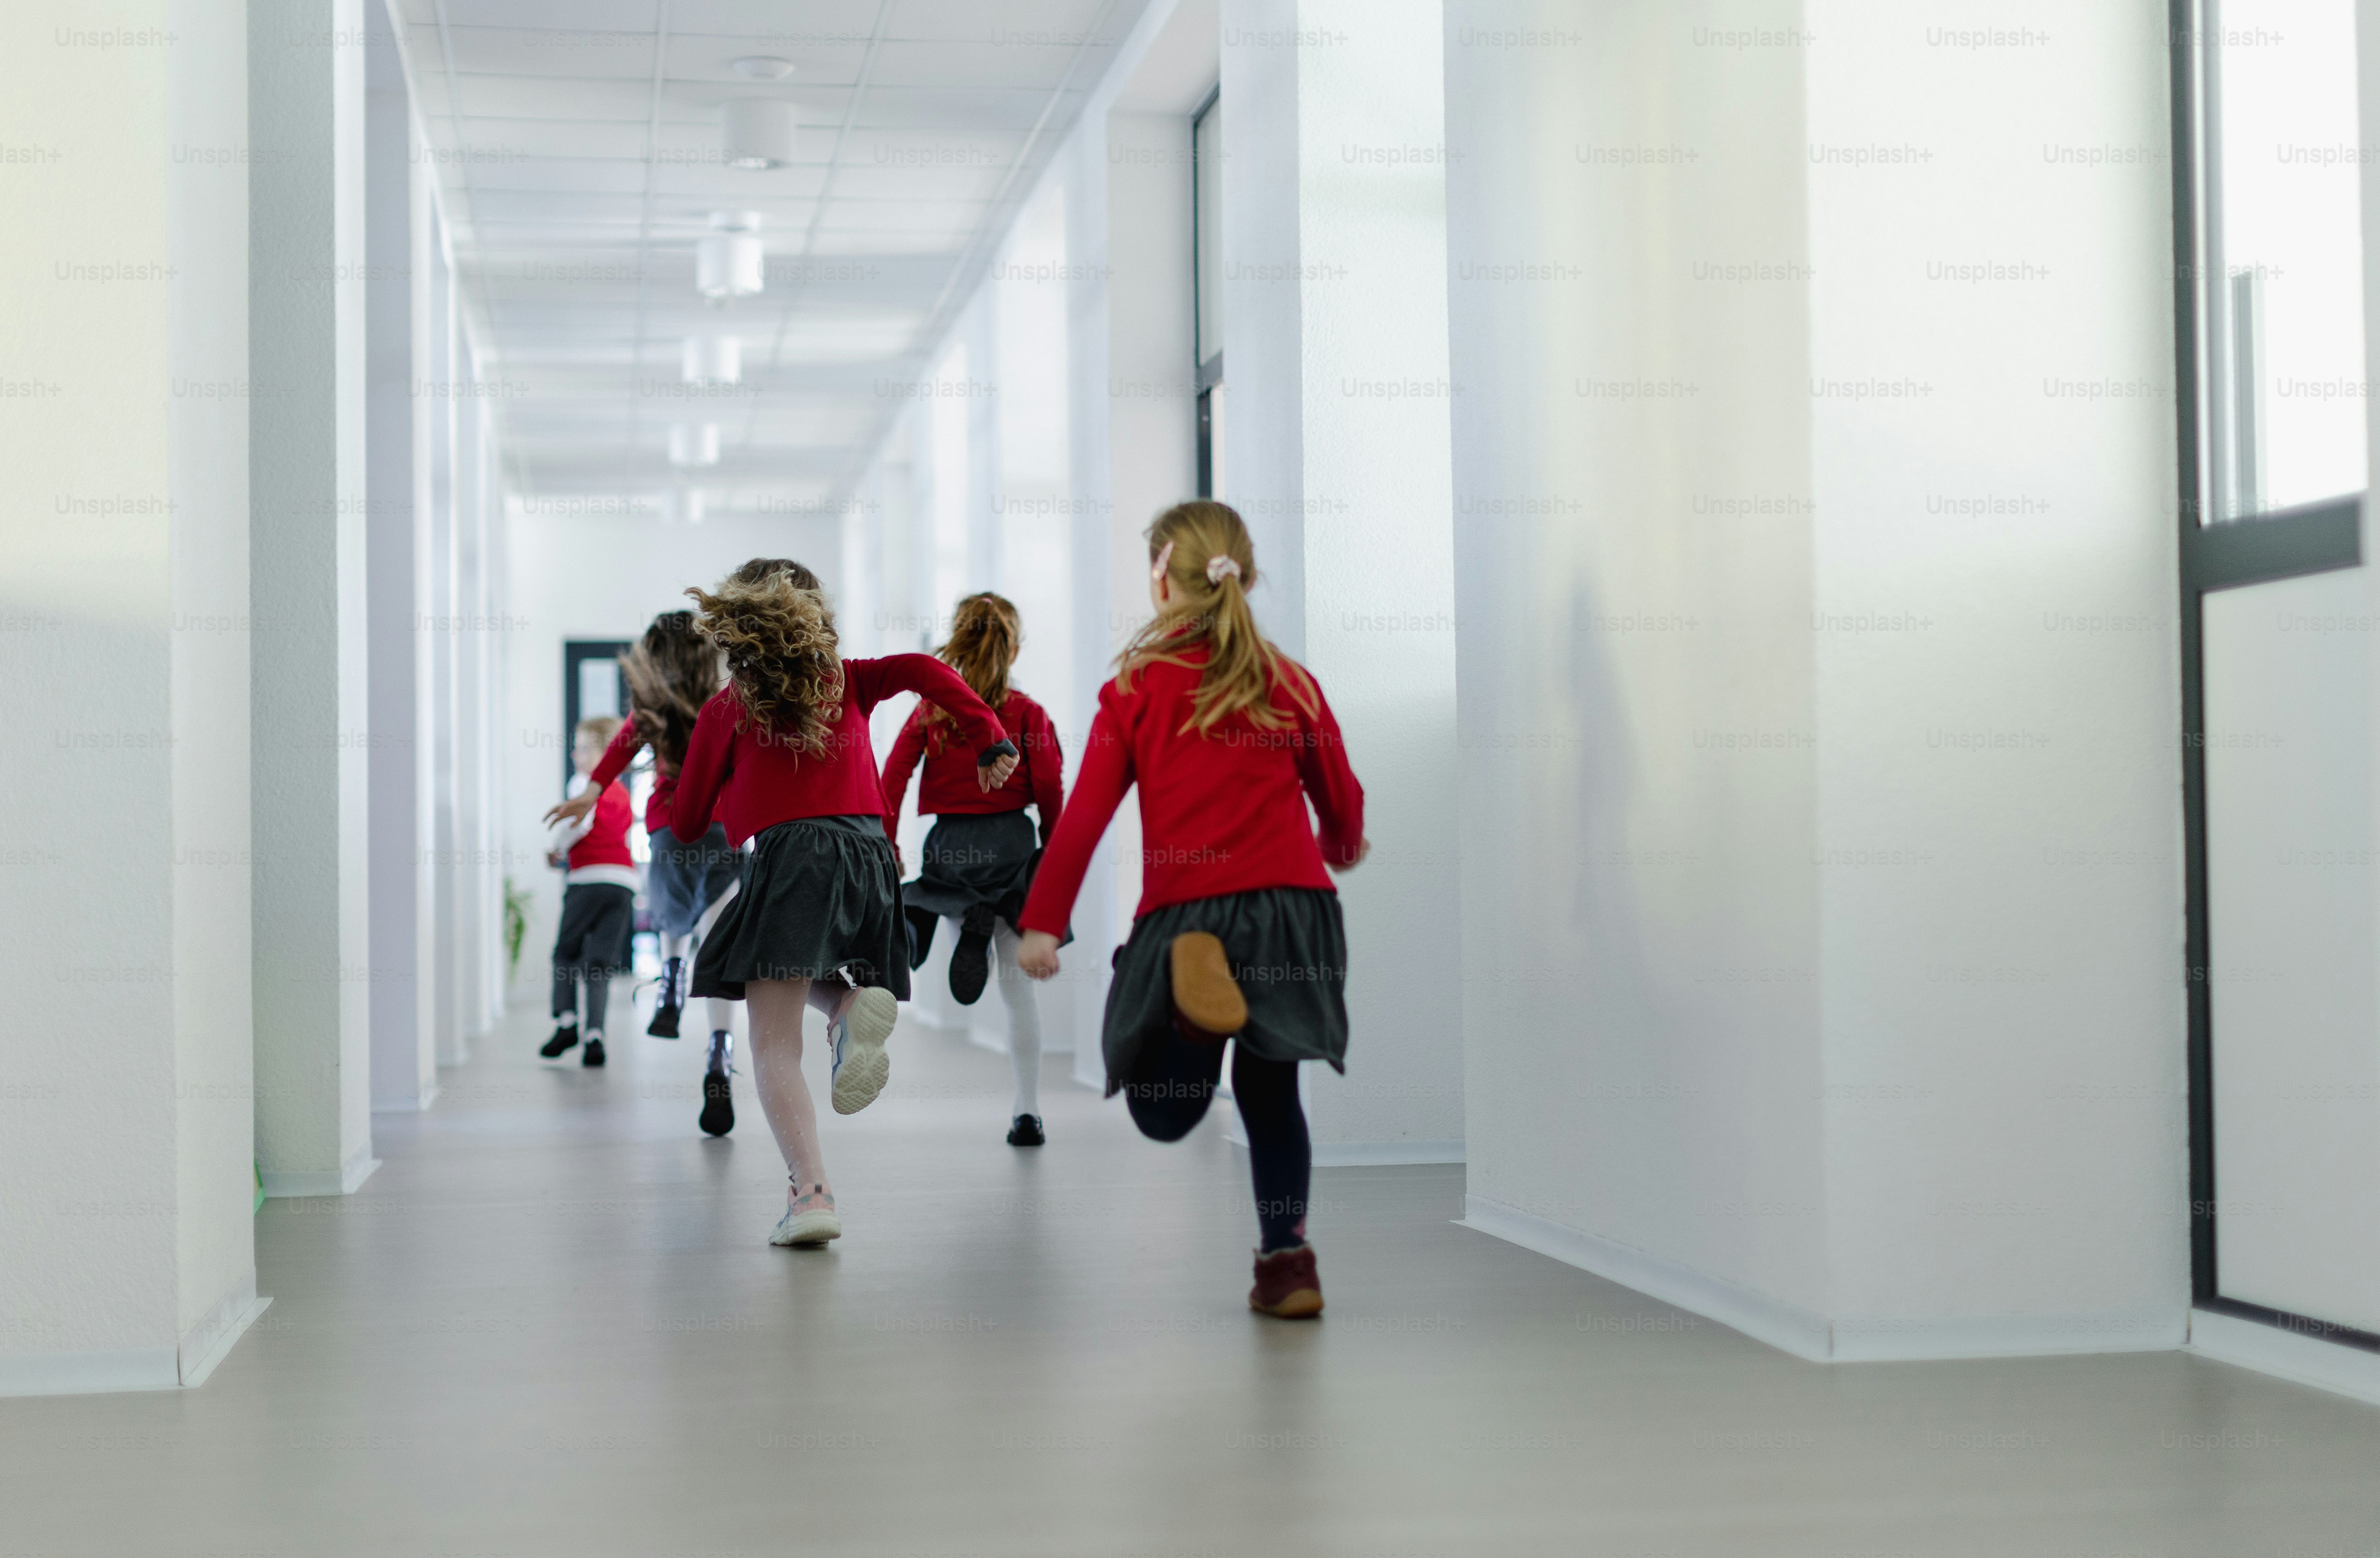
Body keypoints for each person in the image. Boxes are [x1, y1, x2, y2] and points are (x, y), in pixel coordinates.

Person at [1015, 501, 1367, 1319]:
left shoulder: (1134, 688)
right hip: (1292, 914)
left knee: (1164, 1113)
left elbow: (1083, 821)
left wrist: (1042, 921)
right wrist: (1341, 848)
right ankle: (1288, 1265)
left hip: (1192, 918)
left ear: (1161, 577)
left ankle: (1190, 1028)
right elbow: (1339, 800)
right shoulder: (1288, 680)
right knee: (1272, 1096)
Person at [670, 561, 1019, 1247]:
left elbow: (684, 823)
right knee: (786, 962)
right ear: (813, 614)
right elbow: (924, 667)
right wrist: (990, 735)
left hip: (793, 857)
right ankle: (849, 1005)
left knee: (770, 1042)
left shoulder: (729, 707)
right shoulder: (848, 677)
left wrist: (728, 786)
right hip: (869, 856)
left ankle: (811, 1194)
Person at [548, 595, 808, 1136]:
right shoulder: (728, 702)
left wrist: (592, 792)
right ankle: (719, 1050)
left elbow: (620, 747)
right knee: (716, 934)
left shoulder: (654, 709)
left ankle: (668, 977)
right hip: (723, 828)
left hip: (669, 828)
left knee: (670, 914)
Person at [881, 593, 1067, 1147]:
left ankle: (926, 915)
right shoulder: (1028, 712)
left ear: (957, 640)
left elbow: (892, 777)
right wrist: (1053, 853)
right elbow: (1053, 786)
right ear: (1014, 647)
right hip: (1010, 842)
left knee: (935, 894)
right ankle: (1027, 1112)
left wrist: (888, 845)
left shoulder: (931, 711)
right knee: (1017, 990)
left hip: (950, 846)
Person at [542, 715, 640, 1069]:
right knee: (599, 963)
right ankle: (595, 1035)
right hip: (624, 883)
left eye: (584, 749)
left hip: (587, 880)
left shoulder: (583, 783)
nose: (575, 755)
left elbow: (579, 822)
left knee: (565, 953)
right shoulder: (623, 792)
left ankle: (567, 1021)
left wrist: (557, 849)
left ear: (605, 755)